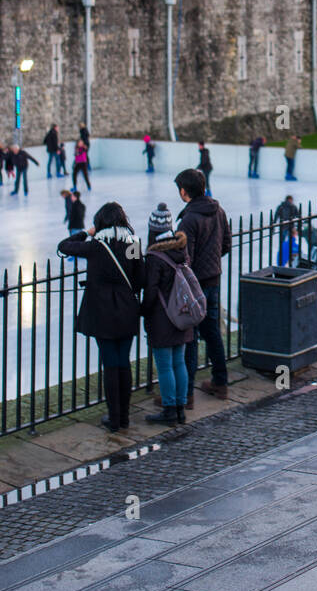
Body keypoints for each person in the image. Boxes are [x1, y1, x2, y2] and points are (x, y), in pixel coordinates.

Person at [58, 202, 142, 432]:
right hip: (126, 310)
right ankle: (124, 417)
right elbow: (138, 277)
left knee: (110, 363)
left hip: (102, 312)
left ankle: (113, 418)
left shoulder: (96, 246)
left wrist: (87, 232)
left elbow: (65, 246)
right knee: (123, 362)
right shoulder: (131, 243)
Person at [175, 168, 231, 404]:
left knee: (190, 336)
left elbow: (185, 257)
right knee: (212, 332)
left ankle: (186, 394)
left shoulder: (188, 219)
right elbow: (226, 244)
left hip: (194, 286)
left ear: (183, 191)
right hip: (214, 280)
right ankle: (220, 382)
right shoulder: (218, 210)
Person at [142, 205, 193, 426]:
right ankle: (180, 408)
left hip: (163, 318)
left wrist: (142, 311)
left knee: (164, 365)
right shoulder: (181, 250)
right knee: (178, 361)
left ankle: (169, 410)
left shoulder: (156, 256)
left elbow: (151, 291)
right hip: (181, 314)